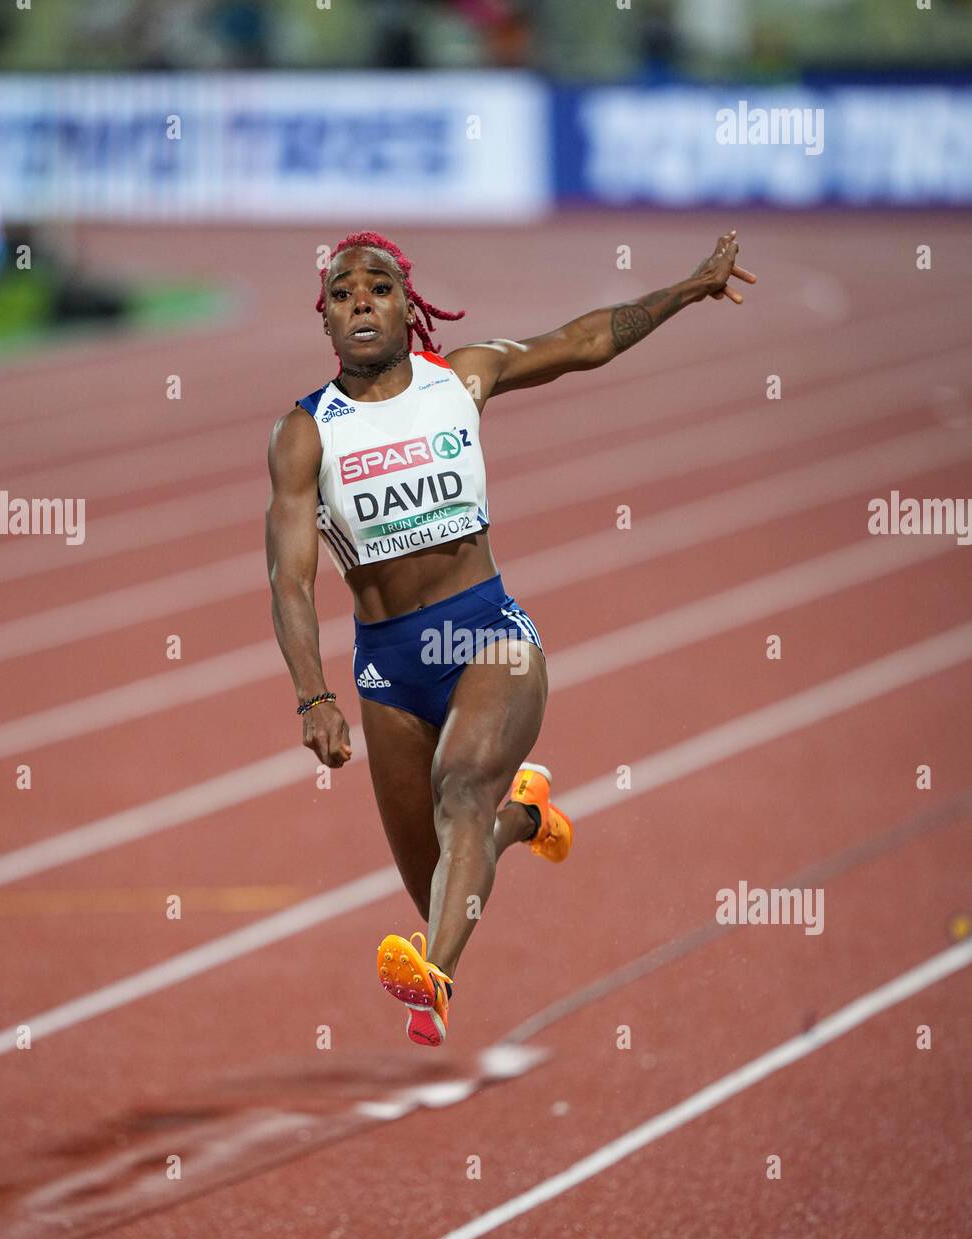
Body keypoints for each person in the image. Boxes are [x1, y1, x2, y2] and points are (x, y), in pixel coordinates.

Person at [266, 229, 755, 1046]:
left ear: (406, 308)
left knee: (460, 790)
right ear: (324, 320)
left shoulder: (462, 376)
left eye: (380, 288)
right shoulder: (304, 434)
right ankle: (522, 819)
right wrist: (312, 695)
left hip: (485, 633)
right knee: (444, 887)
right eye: (343, 291)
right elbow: (288, 578)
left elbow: (581, 342)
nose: (361, 300)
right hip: (388, 668)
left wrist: (683, 290)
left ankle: (435, 981)